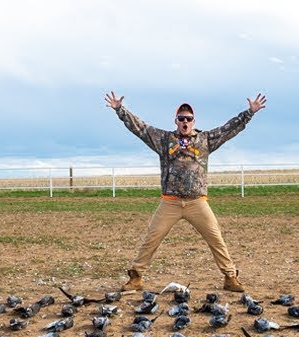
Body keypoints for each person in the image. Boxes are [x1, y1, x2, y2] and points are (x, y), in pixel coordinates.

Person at [105, 91, 266, 293]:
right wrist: (120, 110)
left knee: (216, 238)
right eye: (181, 118)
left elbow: (228, 129)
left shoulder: (205, 140)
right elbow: (141, 128)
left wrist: (249, 113)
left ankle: (230, 277)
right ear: (176, 121)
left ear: (193, 121)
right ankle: (136, 277)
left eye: (188, 119)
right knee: (151, 238)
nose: (185, 122)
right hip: (170, 202)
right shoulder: (164, 140)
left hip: (197, 202)